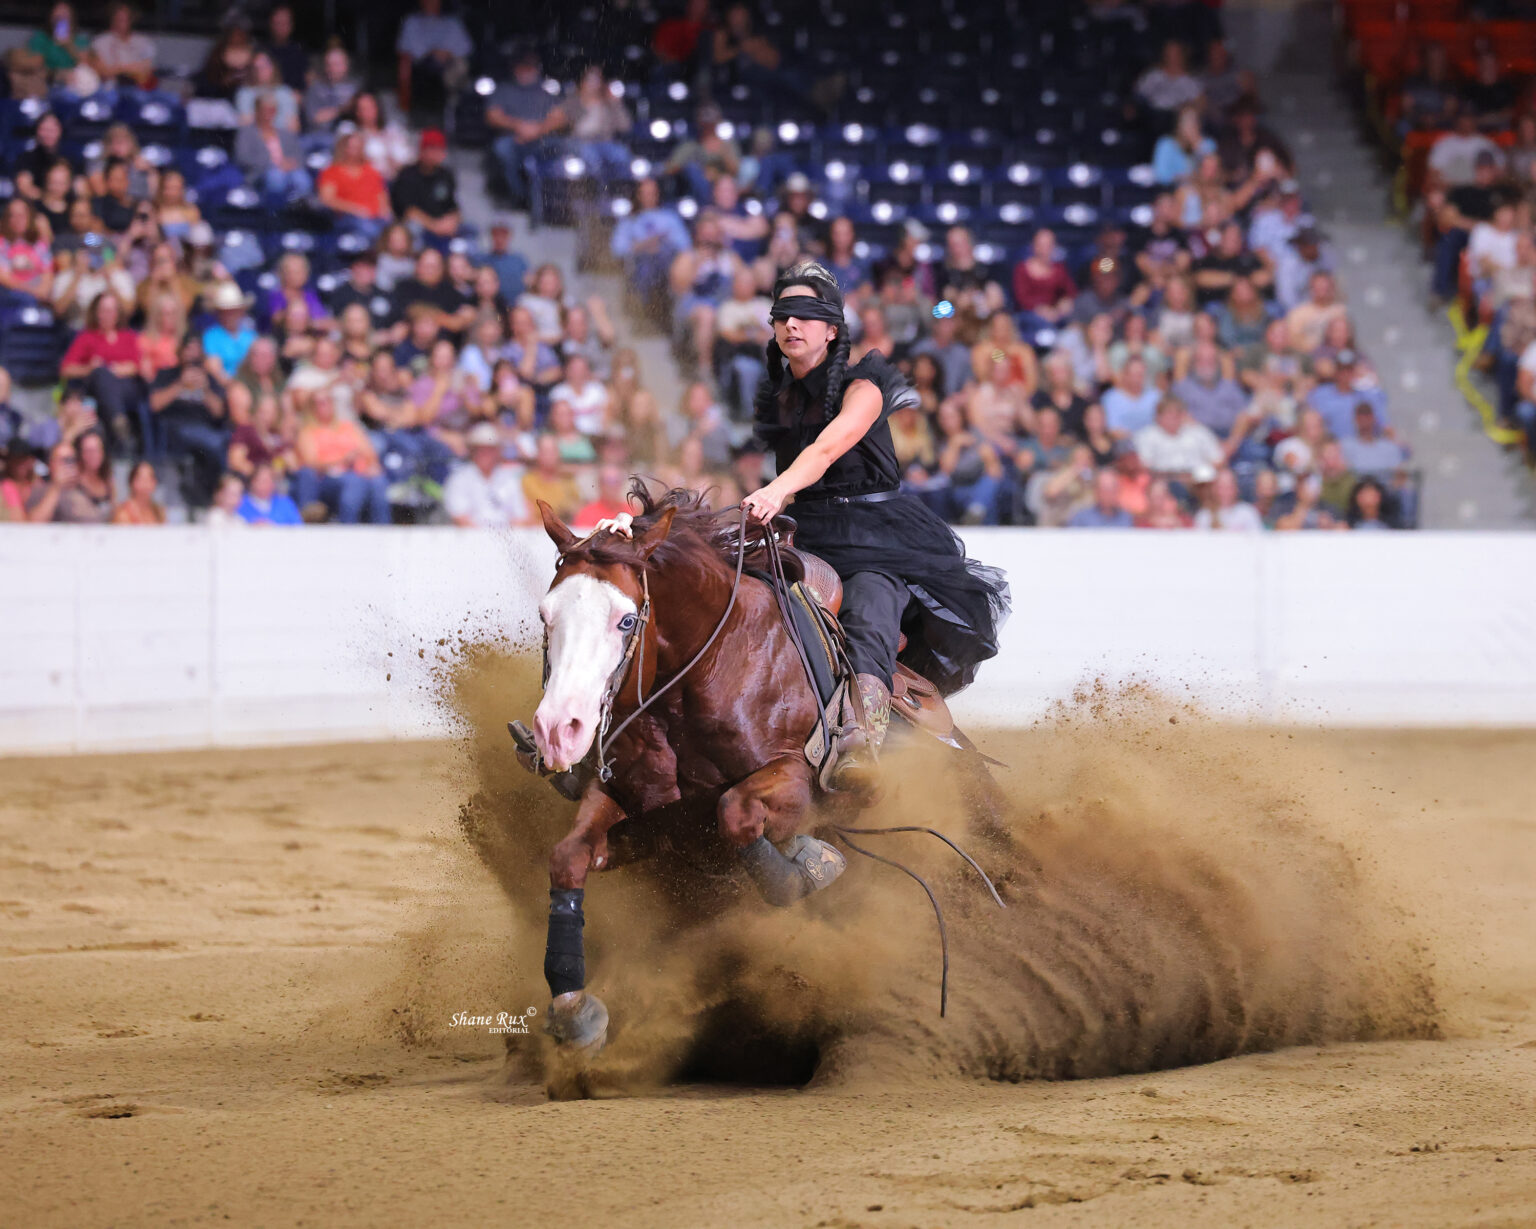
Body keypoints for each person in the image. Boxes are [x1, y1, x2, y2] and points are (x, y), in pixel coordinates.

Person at [728, 262, 1010, 789]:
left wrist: (774, 489)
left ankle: (861, 742)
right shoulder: (781, 399)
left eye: (807, 316)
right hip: (806, 530)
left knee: (868, 611)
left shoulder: (866, 383)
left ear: (832, 329)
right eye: (783, 314)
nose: (792, 325)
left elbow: (827, 447)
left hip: (873, 536)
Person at [487, 48, 570, 207]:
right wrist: (519, 126)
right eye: (522, 66)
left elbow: (560, 118)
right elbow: (492, 116)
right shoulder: (504, 89)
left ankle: (554, 201)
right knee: (502, 149)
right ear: (515, 68)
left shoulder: (547, 89)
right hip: (513, 137)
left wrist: (537, 130)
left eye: (530, 66)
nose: (526, 71)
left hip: (543, 138)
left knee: (568, 149)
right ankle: (520, 196)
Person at [396, 0, 472, 123]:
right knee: (431, 68)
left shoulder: (452, 23)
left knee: (461, 68)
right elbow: (407, 51)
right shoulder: (412, 22)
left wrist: (447, 53)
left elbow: (466, 49)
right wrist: (433, 53)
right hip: (423, 69)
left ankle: (455, 108)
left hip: (451, 68)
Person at [391, 130, 461, 243]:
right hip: (419, 225)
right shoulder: (407, 175)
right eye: (432, 149)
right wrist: (435, 226)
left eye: (440, 149)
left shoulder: (446, 175)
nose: (436, 154)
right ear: (422, 151)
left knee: (470, 231)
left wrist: (452, 221)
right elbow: (408, 211)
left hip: (442, 224)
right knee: (413, 228)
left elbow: (453, 206)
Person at [92, 3, 155, 89]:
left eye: (124, 19)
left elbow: (145, 75)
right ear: (112, 19)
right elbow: (102, 71)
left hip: (140, 88)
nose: (120, 23)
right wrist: (132, 68)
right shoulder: (100, 42)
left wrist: (119, 68)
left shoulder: (144, 42)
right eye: (118, 19)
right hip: (111, 88)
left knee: (172, 100)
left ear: (131, 20)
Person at [237, 462, 303, 525]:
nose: (267, 484)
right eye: (263, 481)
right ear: (252, 482)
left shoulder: (285, 503)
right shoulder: (240, 503)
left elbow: (298, 527)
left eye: (271, 480)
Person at [1068, 468, 1134, 529]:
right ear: (1096, 491)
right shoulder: (1082, 518)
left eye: (1112, 489)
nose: (1109, 495)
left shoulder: (1126, 518)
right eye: (1105, 490)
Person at [112, 459, 166, 524]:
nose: (146, 483)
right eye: (142, 479)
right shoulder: (123, 513)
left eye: (150, 478)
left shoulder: (159, 512)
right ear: (132, 482)